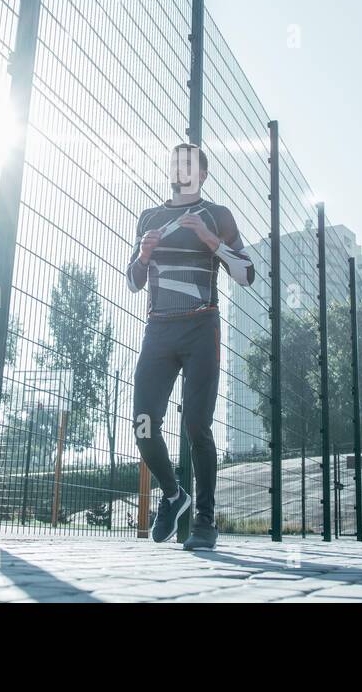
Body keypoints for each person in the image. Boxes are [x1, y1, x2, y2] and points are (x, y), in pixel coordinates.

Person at [126, 143, 254, 550]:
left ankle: (204, 520)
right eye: (175, 162)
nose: (181, 167)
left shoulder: (217, 215)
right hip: (159, 330)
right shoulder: (150, 217)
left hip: (201, 327)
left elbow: (247, 274)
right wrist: (144, 256)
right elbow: (133, 281)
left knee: (198, 425)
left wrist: (211, 241)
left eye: (189, 163)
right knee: (144, 423)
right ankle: (173, 494)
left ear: (203, 174)